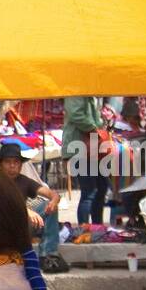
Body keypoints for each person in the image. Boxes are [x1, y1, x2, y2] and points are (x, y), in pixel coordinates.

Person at [0, 143, 67, 274]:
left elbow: (51, 193)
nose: (12, 166)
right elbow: (5, 204)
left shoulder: (24, 181)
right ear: (1, 164)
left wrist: (54, 200)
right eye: (8, 162)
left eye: (16, 162)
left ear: (20, 165)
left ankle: (48, 254)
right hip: (3, 230)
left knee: (49, 207)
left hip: (23, 226)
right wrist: (27, 211)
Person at [62, 96, 107, 226]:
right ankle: (84, 228)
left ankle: (97, 227)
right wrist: (95, 129)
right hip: (80, 148)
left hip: (92, 147)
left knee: (100, 188)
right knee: (90, 191)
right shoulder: (75, 91)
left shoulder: (88, 93)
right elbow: (76, 115)